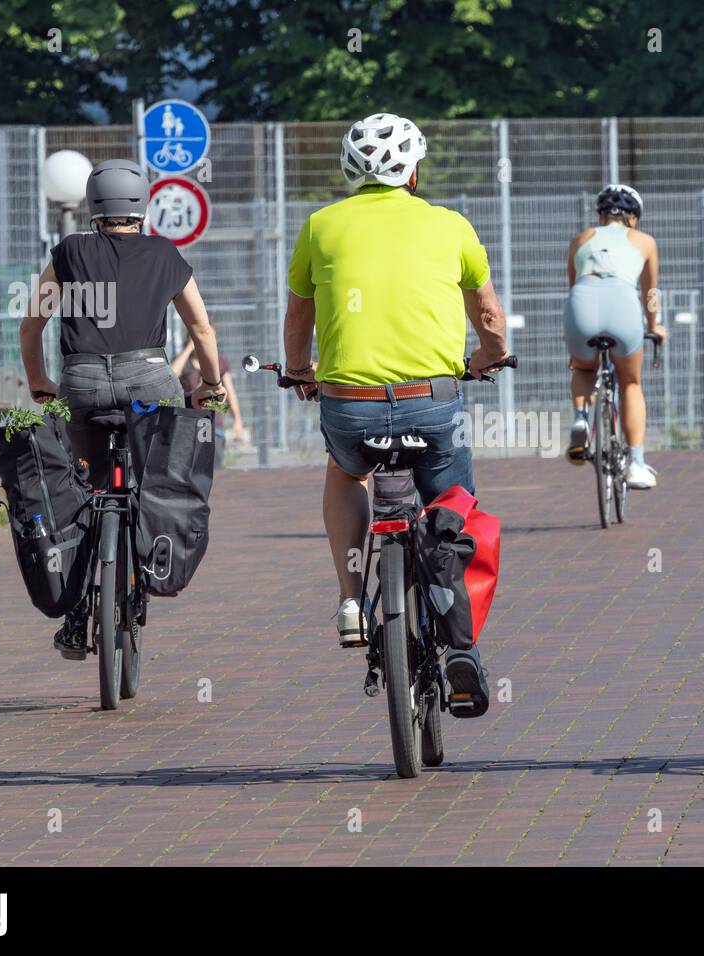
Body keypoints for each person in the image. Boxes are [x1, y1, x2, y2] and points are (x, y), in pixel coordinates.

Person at [282, 112, 509, 718]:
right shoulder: (448, 225)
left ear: (351, 171)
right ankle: (458, 637)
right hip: (432, 403)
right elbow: (487, 315)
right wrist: (491, 358)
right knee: (452, 504)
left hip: (349, 407)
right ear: (414, 169)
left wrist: (300, 371)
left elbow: (299, 317)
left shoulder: (321, 226)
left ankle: (352, 600)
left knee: (345, 472)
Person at [19, 158, 227, 660]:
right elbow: (202, 329)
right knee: (156, 480)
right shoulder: (164, 253)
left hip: (82, 383)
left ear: (94, 206)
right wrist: (212, 385)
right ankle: (153, 552)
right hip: (149, 382)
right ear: (142, 206)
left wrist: (39, 382)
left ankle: (75, 614)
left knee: (86, 485)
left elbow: (30, 325)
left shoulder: (69, 252)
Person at [564, 184, 667, 488]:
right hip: (622, 302)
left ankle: (582, 416)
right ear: (633, 218)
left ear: (600, 215)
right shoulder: (645, 241)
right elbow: (650, 294)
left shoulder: (580, 239)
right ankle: (636, 464)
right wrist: (654, 325)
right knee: (631, 382)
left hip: (582, 304)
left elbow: (573, 287)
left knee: (583, 367)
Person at [172, 338, 251, 464]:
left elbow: (230, 393)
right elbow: (171, 375)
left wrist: (237, 420)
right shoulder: (183, 360)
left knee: (213, 467)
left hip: (212, 423)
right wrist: (188, 349)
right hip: (187, 424)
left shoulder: (219, 361)